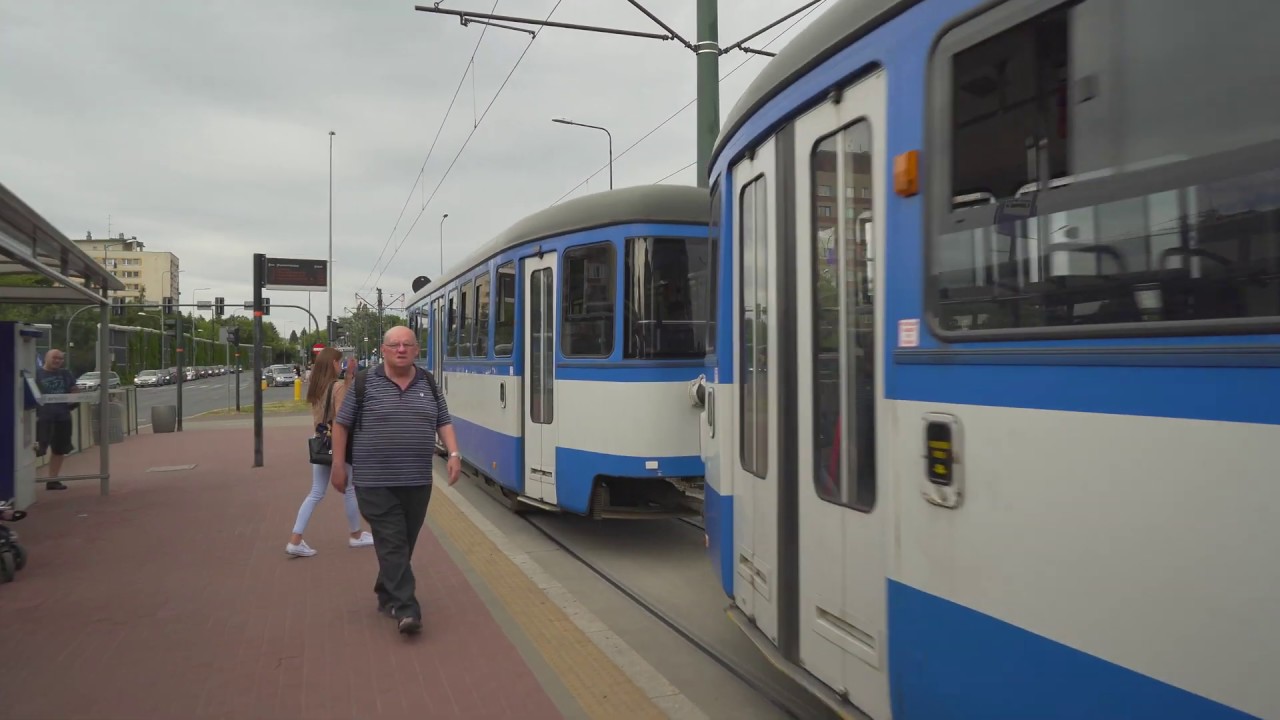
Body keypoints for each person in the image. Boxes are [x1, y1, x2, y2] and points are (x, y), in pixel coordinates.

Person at [330, 325, 460, 635]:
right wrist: (338, 465)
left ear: (416, 350)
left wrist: (454, 455)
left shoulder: (428, 383)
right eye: (394, 345)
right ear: (384, 350)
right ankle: (407, 609)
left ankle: (385, 590)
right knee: (392, 541)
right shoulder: (364, 383)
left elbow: (443, 420)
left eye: (407, 345)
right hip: (374, 481)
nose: (401, 350)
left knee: (402, 543)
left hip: (417, 480)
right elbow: (341, 425)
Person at [285, 347, 373, 557]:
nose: (340, 365)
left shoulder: (317, 388)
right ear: (333, 363)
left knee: (316, 492)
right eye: (339, 362)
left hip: (320, 444)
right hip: (337, 445)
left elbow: (332, 407)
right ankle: (356, 535)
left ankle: (295, 539)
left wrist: (349, 376)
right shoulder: (337, 387)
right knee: (350, 488)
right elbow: (343, 416)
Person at [34, 349, 77, 491]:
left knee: (59, 449)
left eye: (60, 359)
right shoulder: (37, 374)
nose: (57, 361)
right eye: (54, 358)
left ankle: (52, 480)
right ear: (46, 358)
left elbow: (74, 390)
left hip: (62, 416)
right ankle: (23, 480)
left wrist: (76, 397)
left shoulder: (66, 374)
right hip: (42, 417)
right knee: (38, 448)